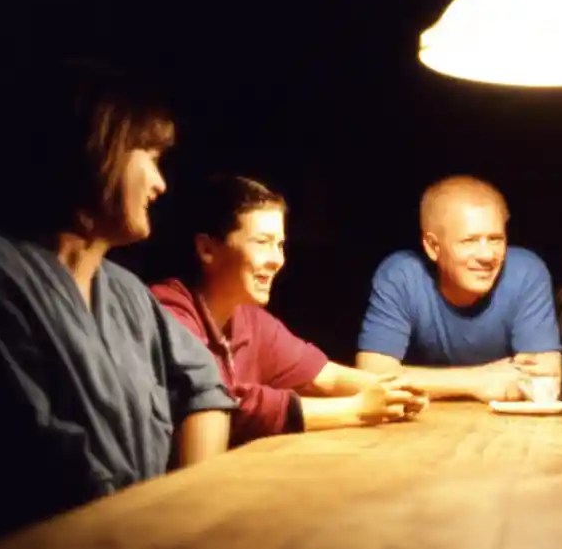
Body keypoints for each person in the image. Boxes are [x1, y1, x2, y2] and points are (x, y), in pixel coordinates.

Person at [0, 64, 237, 549]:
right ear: (105, 147)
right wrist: (145, 537)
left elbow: (206, 388)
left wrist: (187, 507)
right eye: (151, 157)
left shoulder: (127, 293)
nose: (160, 184)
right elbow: (36, 452)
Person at [152, 175, 427, 447]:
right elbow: (227, 403)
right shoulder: (168, 311)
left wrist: (393, 391)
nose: (277, 260)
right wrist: (354, 409)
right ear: (207, 249)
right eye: (261, 242)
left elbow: (324, 377)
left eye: (280, 245)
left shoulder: (249, 320)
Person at [355, 175, 562, 402]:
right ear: (433, 247)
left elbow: (545, 380)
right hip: (421, 421)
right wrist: (478, 381)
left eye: (495, 239)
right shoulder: (401, 276)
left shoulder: (526, 272)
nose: (487, 255)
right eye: (470, 241)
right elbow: (372, 378)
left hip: (506, 424)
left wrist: (417, 380)